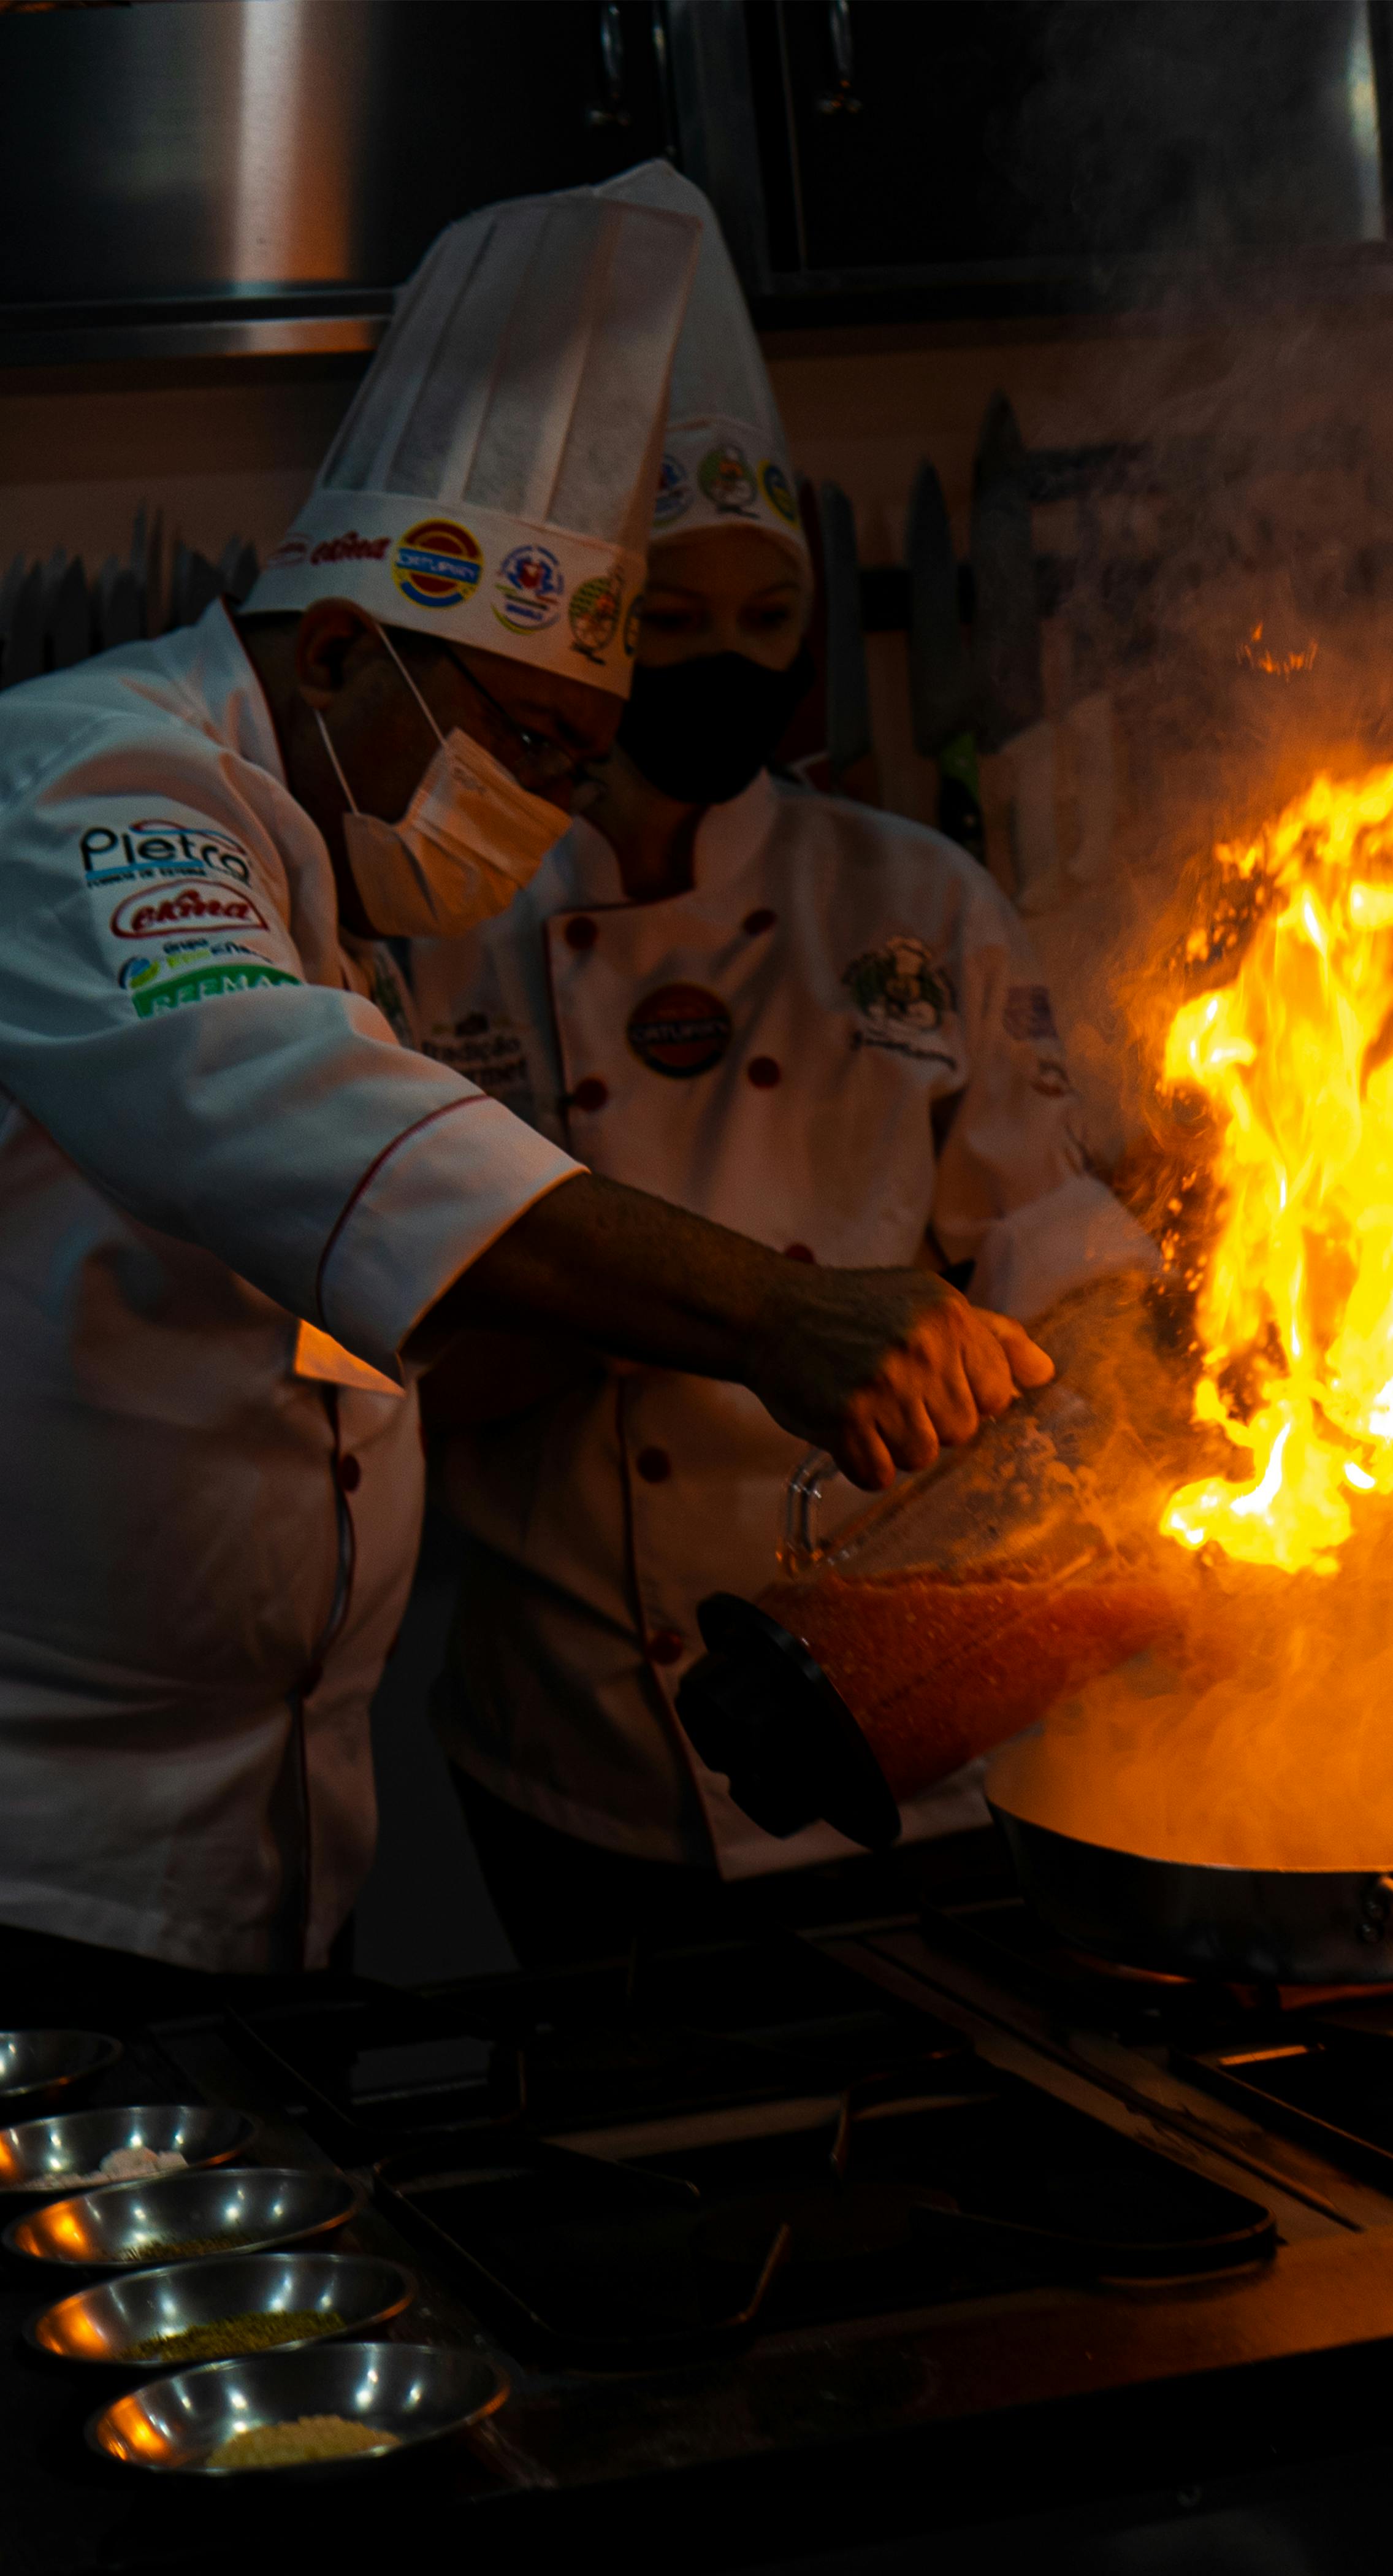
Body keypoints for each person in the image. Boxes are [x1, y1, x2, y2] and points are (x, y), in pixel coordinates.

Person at [0, 183, 1048, 2005]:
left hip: (272, 1832)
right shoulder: (84, 787)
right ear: (336, 651)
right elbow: (283, 1105)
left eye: (576, 761)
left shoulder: (335, 861)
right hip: (44, 1853)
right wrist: (780, 1314)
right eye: (522, 747)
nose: (547, 812)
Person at [411, 164, 1150, 1964]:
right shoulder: (446, 922)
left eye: (763, 624)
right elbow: (416, 1366)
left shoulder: (917, 899)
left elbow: (1052, 1238)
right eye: (672, 625)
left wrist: (1147, 1388)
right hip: (586, 1745)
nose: (724, 665)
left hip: (921, 1702)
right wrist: (691, 1302)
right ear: (585, 631)